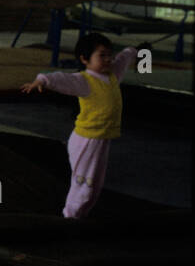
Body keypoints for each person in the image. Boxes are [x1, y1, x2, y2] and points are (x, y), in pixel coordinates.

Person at [20, 34, 138, 219]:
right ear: (84, 59)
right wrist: (41, 80)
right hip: (86, 140)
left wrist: (135, 50)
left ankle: (79, 216)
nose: (108, 59)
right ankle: (70, 217)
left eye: (109, 55)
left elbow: (124, 57)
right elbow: (61, 78)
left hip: (102, 139)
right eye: (102, 55)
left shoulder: (113, 73)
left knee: (94, 185)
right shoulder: (85, 81)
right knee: (84, 185)